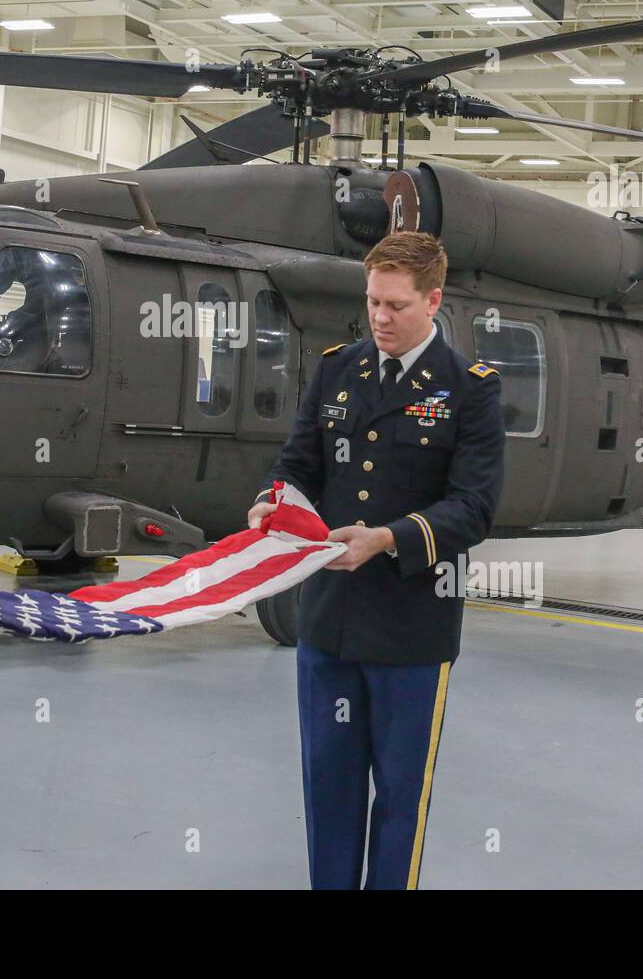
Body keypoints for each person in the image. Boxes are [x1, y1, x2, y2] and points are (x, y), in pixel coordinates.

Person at [247, 231, 506, 890]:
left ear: (433, 300)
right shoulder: (339, 369)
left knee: (398, 800)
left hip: (410, 631)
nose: (380, 318)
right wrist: (271, 503)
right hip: (329, 623)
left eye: (395, 304)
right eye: (373, 302)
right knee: (328, 787)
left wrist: (386, 538)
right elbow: (299, 463)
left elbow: (473, 508)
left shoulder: (467, 390)